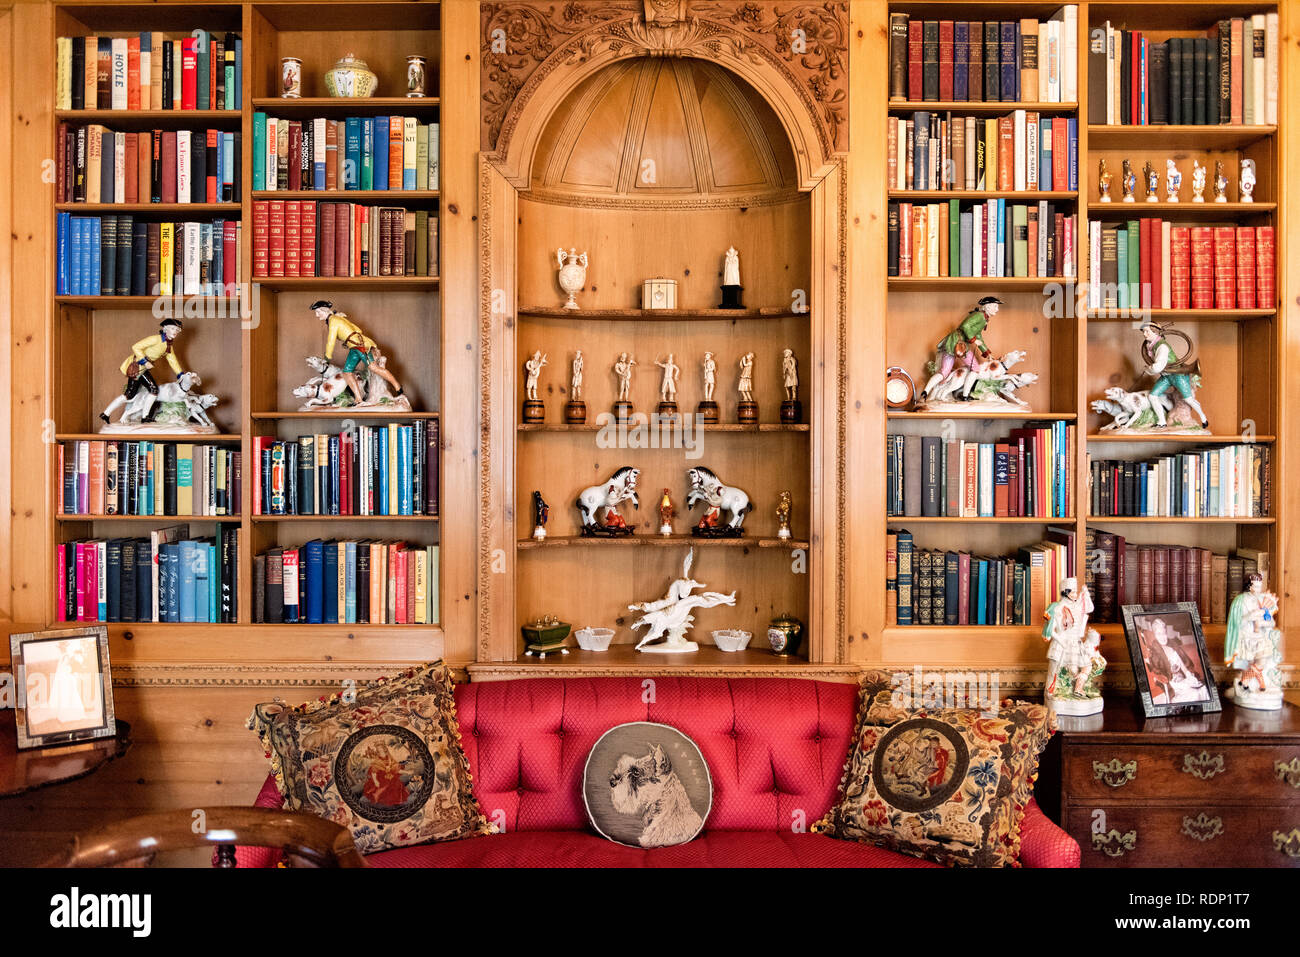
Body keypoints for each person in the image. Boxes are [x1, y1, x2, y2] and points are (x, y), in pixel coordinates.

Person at [315, 301, 403, 406]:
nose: (317, 315)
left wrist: (327, 357)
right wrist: (347, 340)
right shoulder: (336, 319)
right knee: (347, 372)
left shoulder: (333, 320)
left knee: (373, 368)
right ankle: (358, 399)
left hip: (361, 346)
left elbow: (331, 341)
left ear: (324, 311)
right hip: (354, 347)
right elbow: (357, 329)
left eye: (318, 312)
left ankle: (398, 387)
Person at [100, 318, 186, 424]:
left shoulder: (168, 345)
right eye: (173, 328)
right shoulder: (156, 339)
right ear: (165, 329)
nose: (175, 332)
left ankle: (106, 414)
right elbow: (136, 347)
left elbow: (172, 360)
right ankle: (144, 417)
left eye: (177, 330)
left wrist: (180, 374)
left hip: (142, 369)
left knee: (131, 394)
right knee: (150, 390)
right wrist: (145, 361)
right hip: (137, 367)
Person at [1141, 321, 1208, 428]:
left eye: (1147, 331)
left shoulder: (1162, 347)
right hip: (1166, 377)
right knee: (1152, 396)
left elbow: (1158, 366)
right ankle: (1162, 422)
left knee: (1188, 399)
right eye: (1144, 332)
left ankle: (1203, 418)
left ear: (1155, 332)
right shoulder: (1152, 345)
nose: (1144, 334)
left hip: (1178, 376)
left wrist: (1147, 369)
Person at [930, 296, 1000, 386]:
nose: (997, 309)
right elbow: (965, 326)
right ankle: (965, 394)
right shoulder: (980, 316)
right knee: (975, 368)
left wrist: (987, 353)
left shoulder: (983, 318)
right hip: (959, 343)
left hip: (955, 342)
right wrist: (974, 340)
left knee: (945, 371)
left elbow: (978, 336)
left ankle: (926, 392)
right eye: (995, 306)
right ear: (988, 306)